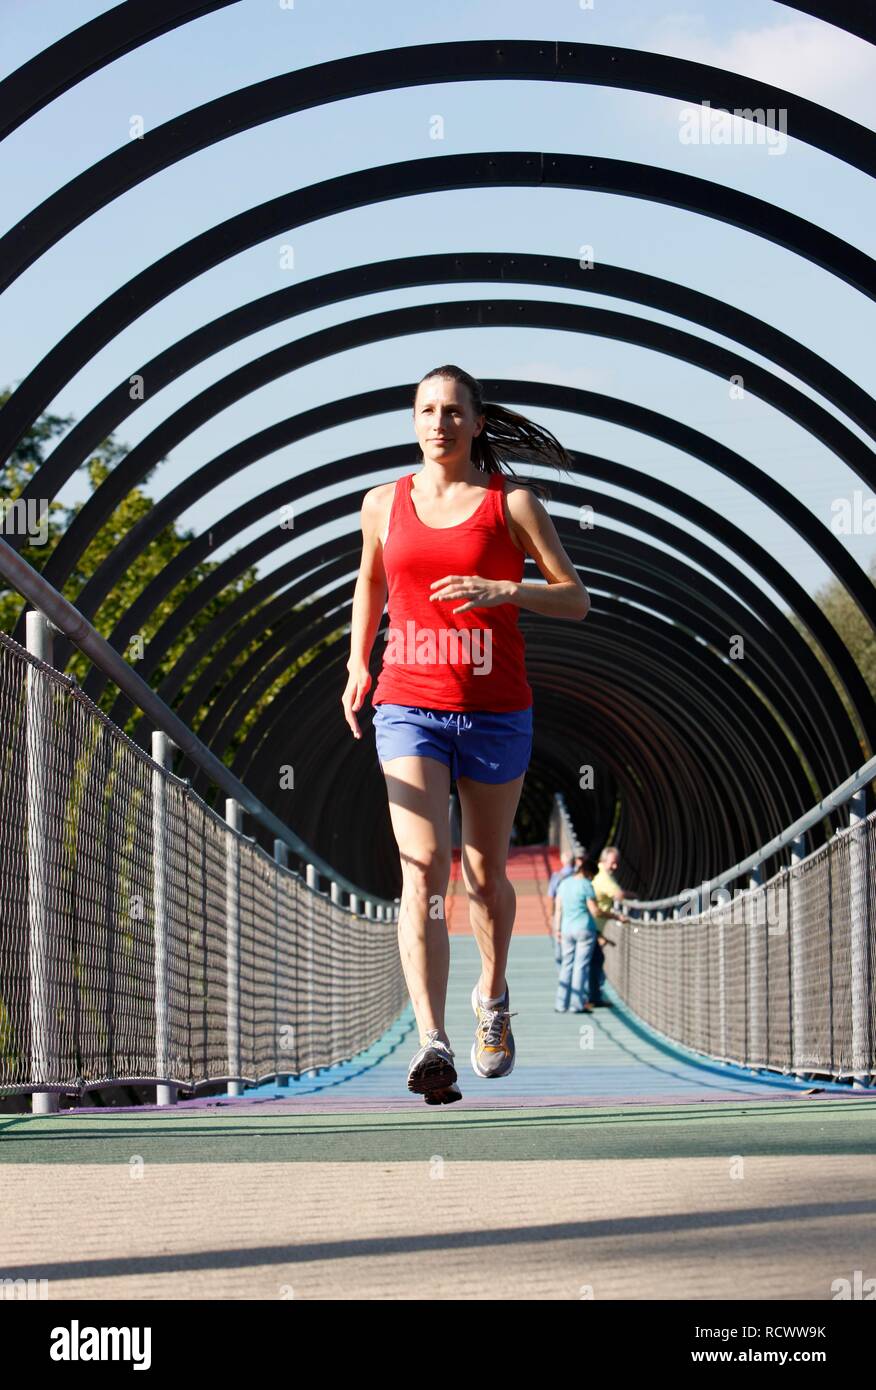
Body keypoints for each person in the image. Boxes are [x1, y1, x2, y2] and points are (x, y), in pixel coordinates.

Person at [342, 364, 590, 1103]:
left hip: (494, 709)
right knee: (421, 869)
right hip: (408, 701)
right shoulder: (383, 504)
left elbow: (574, 599)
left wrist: (505, 589)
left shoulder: (511, 504)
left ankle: (492, 997)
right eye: (426, 409)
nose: (439, 422)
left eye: (453, 411)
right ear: (413, 420)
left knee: (484, 876)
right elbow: (372, 583)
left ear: (478, 423)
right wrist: (359, 662)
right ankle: (432, 1040)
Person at [555, 852, 628, 1012]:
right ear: (588, 873)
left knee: (567, 965)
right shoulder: (586, 885)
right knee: (580, 966)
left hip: (566, 929)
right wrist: (616, 916)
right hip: (584, 930)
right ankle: (577, 1005)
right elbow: (595, 911)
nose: (591, 880)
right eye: (591, 877)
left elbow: (558, 909)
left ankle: (560, 1004)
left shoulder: (564, 884)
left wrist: (557, 929)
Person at [590, 845, 627, 1007]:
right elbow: (619, 895)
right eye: (612, 862)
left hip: (592, 927)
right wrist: (636, 896)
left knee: (593, 960)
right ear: (603, 861)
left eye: (617, 863)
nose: (615, 866)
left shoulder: (599, 874)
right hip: (592, 927)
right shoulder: (603, 877)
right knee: (595, 961)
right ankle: (593, 997)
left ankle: (591, 995)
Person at [547, 850, 575, 966]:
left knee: (559, 946)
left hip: (561, 914)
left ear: (562, 861)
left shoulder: (557, 876)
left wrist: (551, 915)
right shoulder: (578, 876)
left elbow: (550, 897)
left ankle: (562, 973)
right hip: (575, 913)